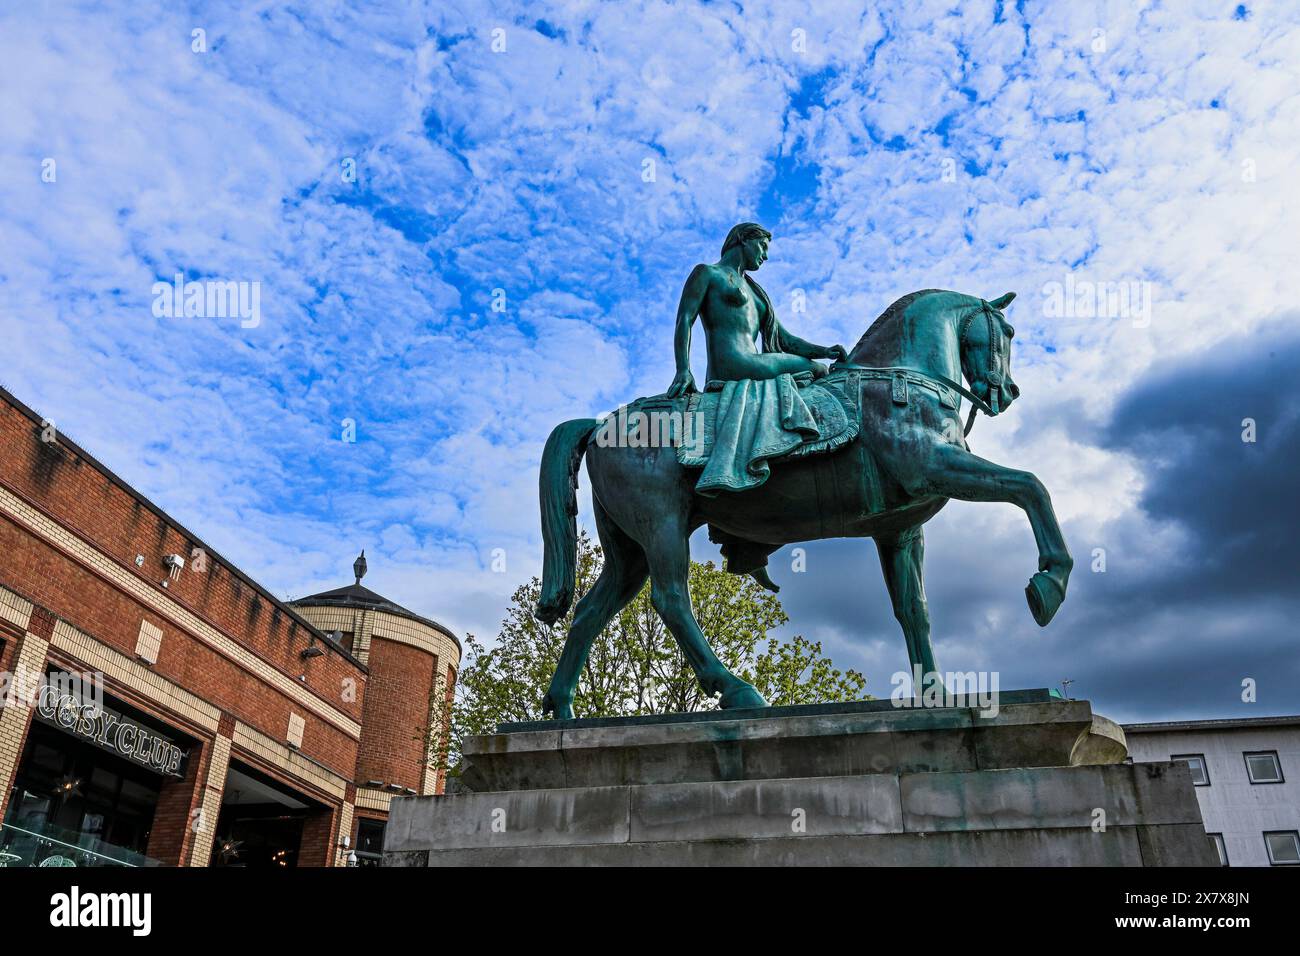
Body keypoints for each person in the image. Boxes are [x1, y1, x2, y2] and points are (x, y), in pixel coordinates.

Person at [666, 222, 846, 397]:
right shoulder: (708, 273)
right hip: (734, 363)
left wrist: (825, 352)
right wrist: (683, 370)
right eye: (762, 246)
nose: (765, 256)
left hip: (754, 362)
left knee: (819, 367)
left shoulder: (757, 294)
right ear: (744, 239)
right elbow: (685, 319)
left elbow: (786, 341)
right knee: (819, 370)